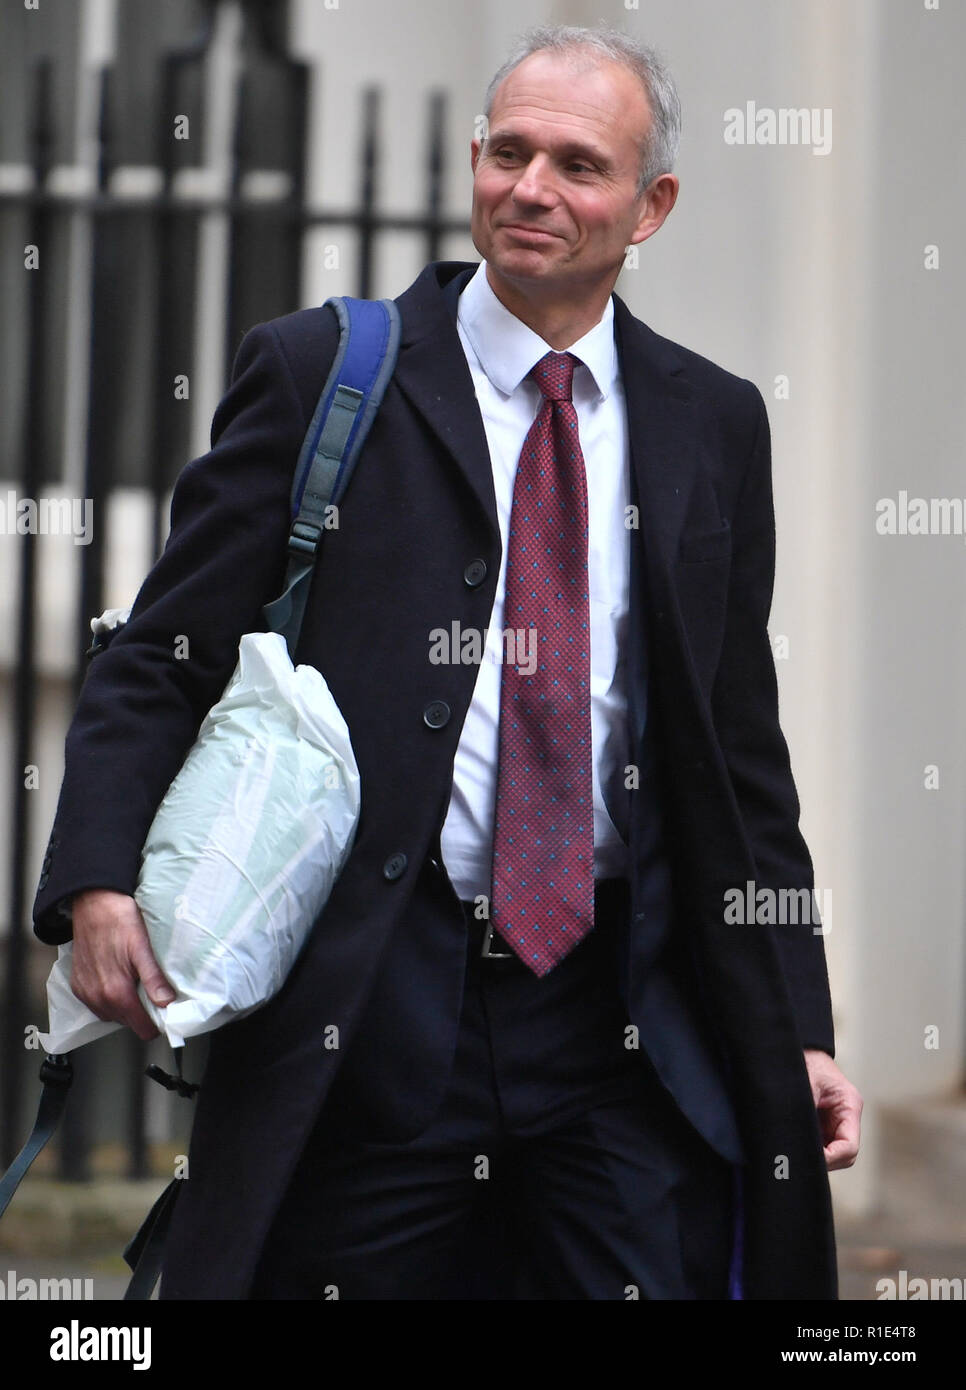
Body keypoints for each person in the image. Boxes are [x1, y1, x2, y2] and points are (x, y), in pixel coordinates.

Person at [32, 24, 862, 1300]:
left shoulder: (712, 421)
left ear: (654, 205)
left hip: (617, 1022)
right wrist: (96, 882)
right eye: (510, 151)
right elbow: (165, 652)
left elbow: (738, 750)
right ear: (475, 159)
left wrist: (796, 1022)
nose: (532, 187)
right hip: (374, 1008)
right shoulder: (322, 375)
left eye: (579, 165)